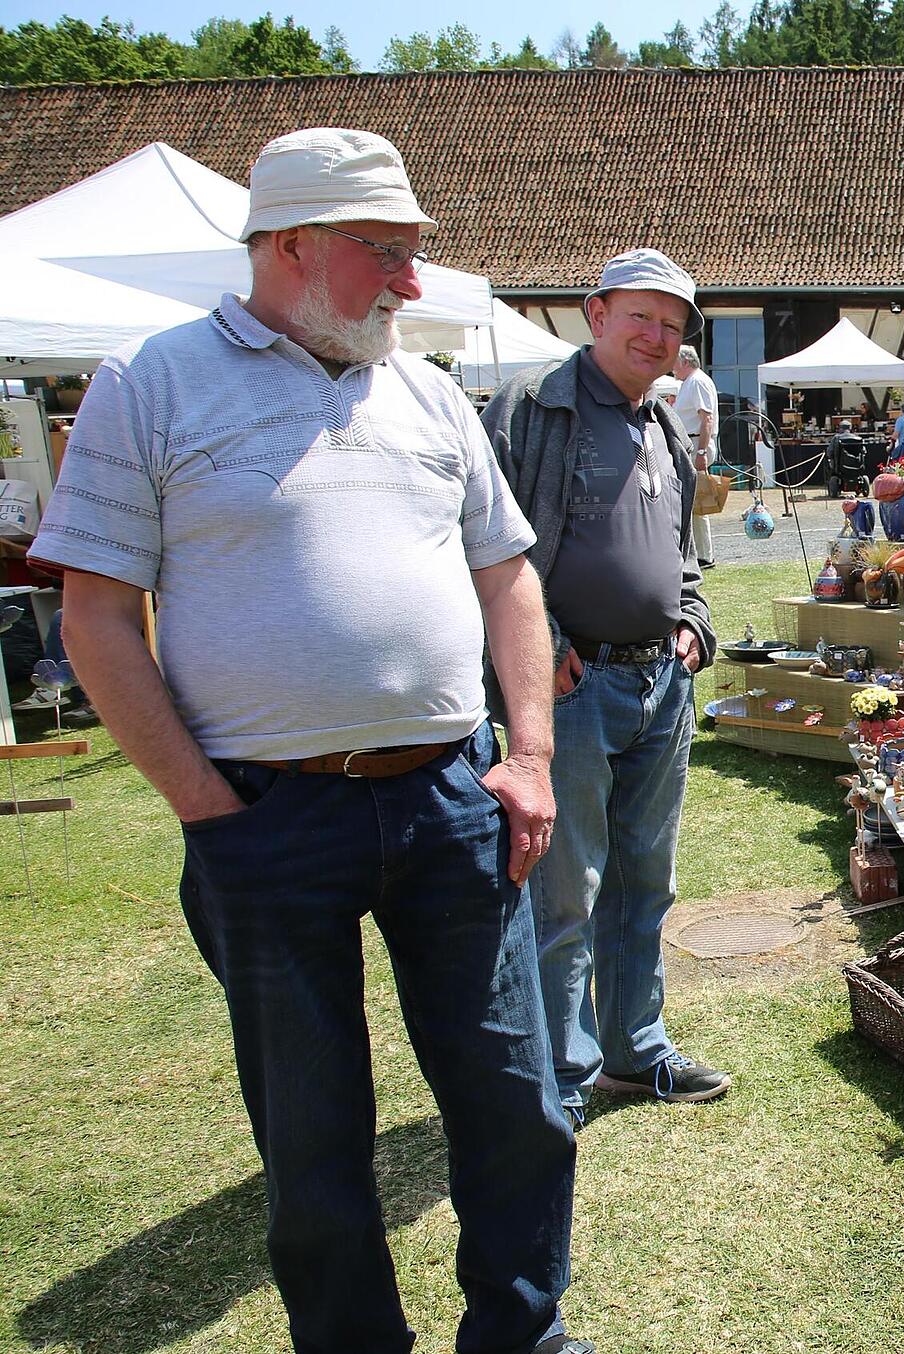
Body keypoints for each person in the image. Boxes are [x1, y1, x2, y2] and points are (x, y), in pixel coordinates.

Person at [28, 128, 586, 1354]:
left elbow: (510, 582)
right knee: (314, 1133)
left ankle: (521, 1335)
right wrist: (205, 812)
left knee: (516, 1107)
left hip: (451, 799)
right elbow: (97, 617)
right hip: (264, 816)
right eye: (384, 253)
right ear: (289, 244)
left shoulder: (429, 392)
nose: (412, 282)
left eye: (411, 253)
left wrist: (529, 753)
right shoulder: (151, 382)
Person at [482, 249, 728, 1127]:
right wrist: (540, 641)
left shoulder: (660, 427)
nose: (658, 336)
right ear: (595, 312)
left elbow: (685, 564)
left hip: (663, 685)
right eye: (642, 317)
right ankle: (567, 1074)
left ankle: (635, 1048)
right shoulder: (531, 410)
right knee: (566, 893)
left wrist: (694, 626)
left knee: (644, 883)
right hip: (571, 686)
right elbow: (484, 549)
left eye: (673, 326)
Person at [673, 344, 719, 569]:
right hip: (689, 443)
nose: (671, 367)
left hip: (695, 444)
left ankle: (704, 554)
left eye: (674, 361)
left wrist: (701, 451)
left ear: (685, 361)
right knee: (692, 503)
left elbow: (706, 419)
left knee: (698, 501)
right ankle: (697, 553)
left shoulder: (697, 381)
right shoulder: (689, 383)